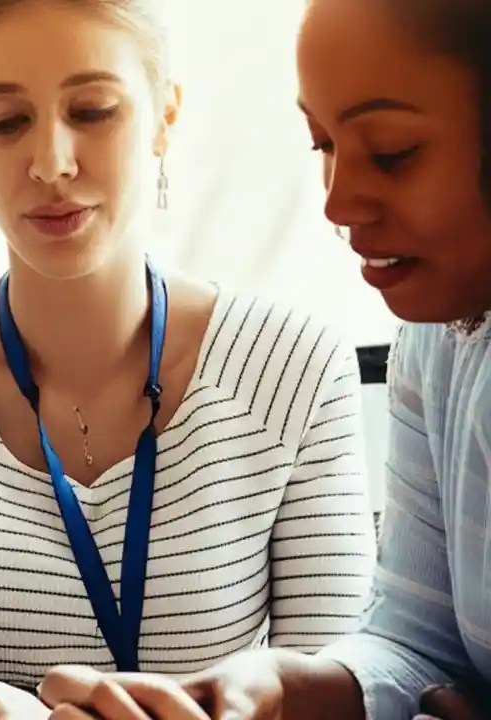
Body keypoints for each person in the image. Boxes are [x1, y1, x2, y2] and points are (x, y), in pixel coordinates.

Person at [0, 1, 377, 718]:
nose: (51, 164)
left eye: (95, 110)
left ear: (166, 115)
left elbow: (341, 670)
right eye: (5, 122)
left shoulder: (295, 364)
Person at [35, 0, 491, 719]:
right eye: (323, 145)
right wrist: (275, 685)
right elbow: (416, 643)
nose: (337, 204)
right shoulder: (436, 345)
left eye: (393, 151)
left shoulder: (298, 363)